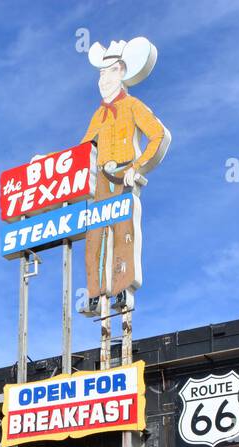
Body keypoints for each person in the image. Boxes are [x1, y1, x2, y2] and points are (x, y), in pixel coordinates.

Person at [80, 37, 171, 315]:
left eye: (107, 73)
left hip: (123, 176)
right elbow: (84, 149)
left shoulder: (133, 106)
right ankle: (95, 294)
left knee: (124, 234)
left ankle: (121, 289)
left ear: (121, 72)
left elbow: (158, 135)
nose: (102, 79)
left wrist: (138, 166)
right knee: (94, 236)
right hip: (101, 180)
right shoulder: (98, 114)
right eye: (100, 74)